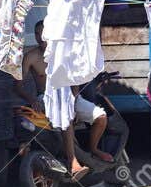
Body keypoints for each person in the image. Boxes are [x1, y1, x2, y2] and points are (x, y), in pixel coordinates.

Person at [15, 21, 109, 177]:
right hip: (46, 99)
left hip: (70, 97)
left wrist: (74, 98)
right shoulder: (31, 57)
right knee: (66, 117)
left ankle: (94, 148)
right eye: (37, 34)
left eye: (43, 34)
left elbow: (74, 81)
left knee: (101, 117)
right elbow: (17, 86)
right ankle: (73, 163)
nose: (40, 38)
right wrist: (31, 99)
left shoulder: (64, 54)